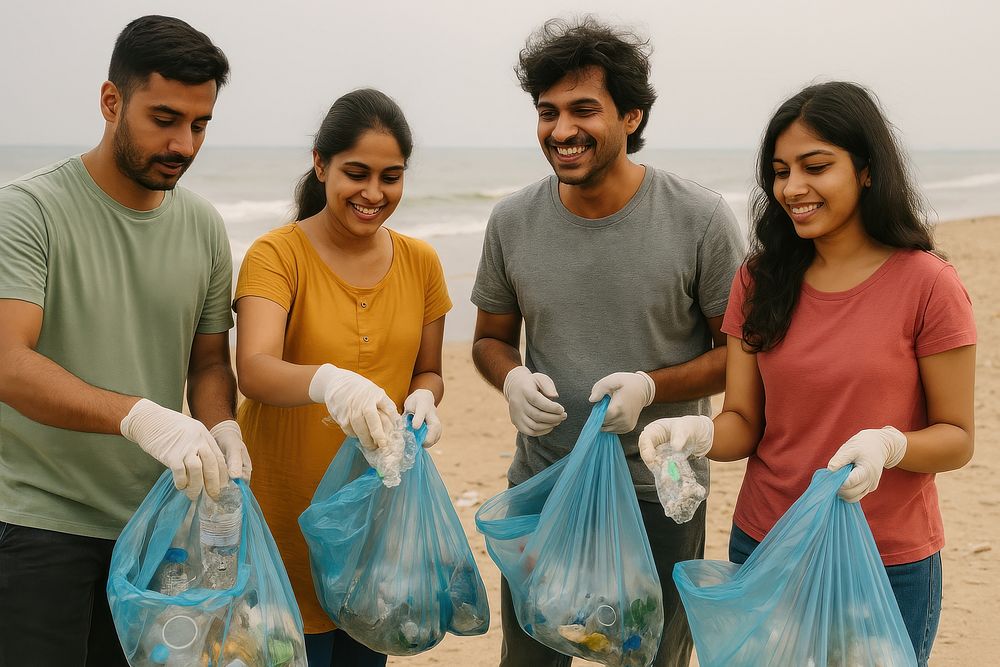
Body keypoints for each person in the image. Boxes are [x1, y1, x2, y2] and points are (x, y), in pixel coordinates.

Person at [639, 81, 976, 666]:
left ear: (866, 170)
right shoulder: (760, 279)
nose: (792, 188)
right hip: (767, 545)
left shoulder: (928, 285)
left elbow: (958, 438)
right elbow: (745, 422)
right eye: (779, 171)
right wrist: (692, 435)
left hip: (885, 559)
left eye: (815, 167)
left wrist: (889, 445)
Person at [471, 17, 745, 667]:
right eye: (547, 112)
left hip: (660, 493)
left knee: (654, 657)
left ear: (631, 115)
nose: (561, 130)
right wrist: (509, 376)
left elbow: (740, 356)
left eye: (583, 109)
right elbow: (489, 338)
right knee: (531, 655)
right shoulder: (511, 220)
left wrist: (652, 386)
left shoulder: (699, 218)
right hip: (542, 490)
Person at [0, 15, 249, 667]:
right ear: (111, 101)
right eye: (164, 118)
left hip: (154, 529)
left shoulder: (202, 226)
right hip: (34, 523)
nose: (183, 142)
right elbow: (9, 363)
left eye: (199, 124)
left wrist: (222, 426)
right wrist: (136, 416)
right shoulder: (27, 212)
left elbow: (207, 362)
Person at [233, 88, 452, 667]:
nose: (374, 194)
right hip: (280, 521)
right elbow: (253, 369)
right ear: (320, 163)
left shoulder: (421, 263)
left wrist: (426, 401)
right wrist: (331, 382)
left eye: (391, 177)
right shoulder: (276, 255)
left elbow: (428, 370)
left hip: (373, 531)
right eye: (356, 173)